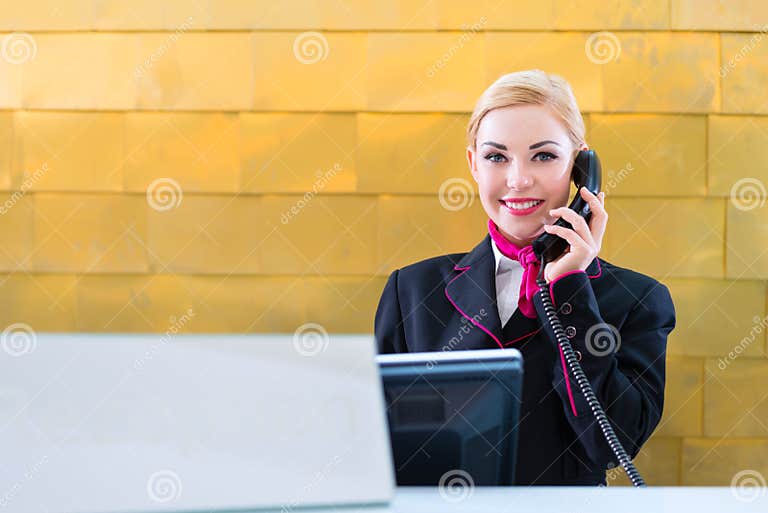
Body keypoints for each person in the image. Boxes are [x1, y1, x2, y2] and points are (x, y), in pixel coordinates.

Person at [374, 69, 676, 486]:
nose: (518, 180)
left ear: (581, 167)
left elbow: (612, 445)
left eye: (544, 156)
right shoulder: (411, 290)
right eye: (496, 157)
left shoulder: (637, 299)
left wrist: (571, 287)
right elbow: (378, 447)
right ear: (473, 165)